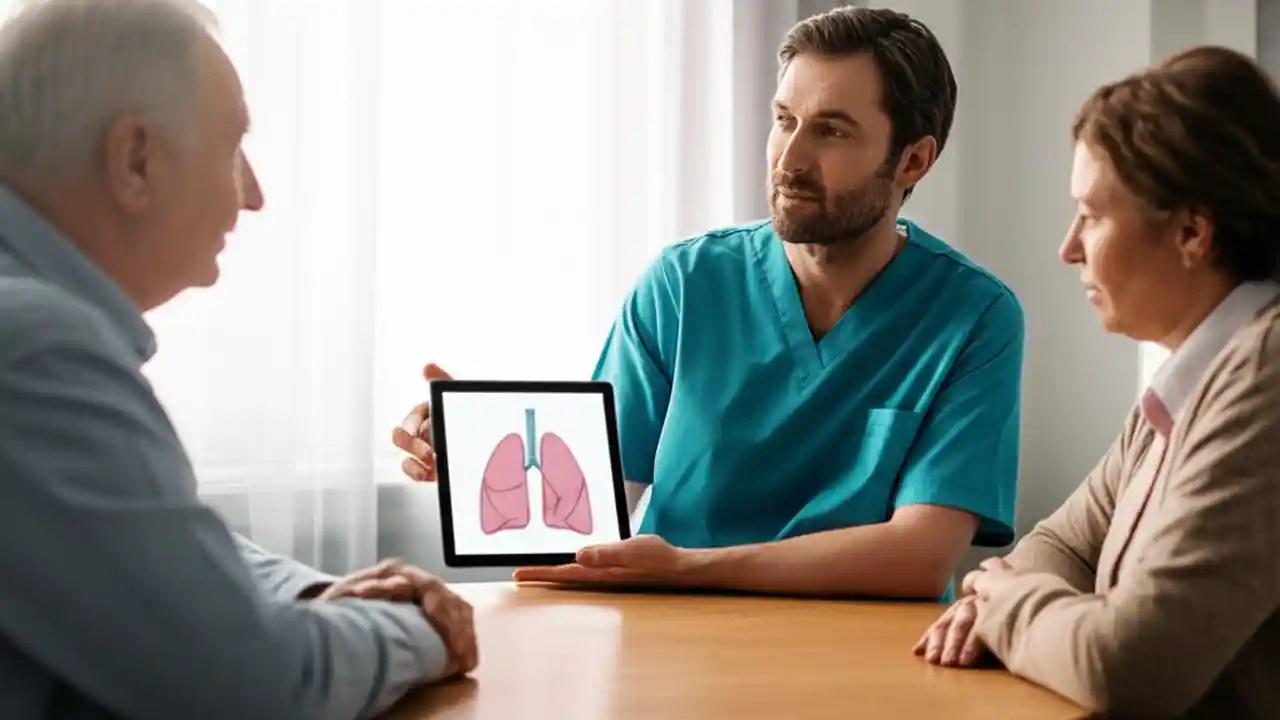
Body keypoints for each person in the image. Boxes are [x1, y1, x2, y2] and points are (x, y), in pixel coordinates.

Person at [394, 6, 1025, 601]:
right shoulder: (685, 283)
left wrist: (688, 569)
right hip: (669, 640)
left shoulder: (973, 316)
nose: (791, 158)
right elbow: (585, 511)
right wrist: (479, 459)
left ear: (912, 159)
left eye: (831, 130)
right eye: (784, 120)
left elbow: (919, 558)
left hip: (867, 654)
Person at [0, 1, 475, 718]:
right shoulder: (37, 349)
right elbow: (252, 690)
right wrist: (420, 627)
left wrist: (309, 595)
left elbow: (135, 538)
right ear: (135, 160)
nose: (253, 194)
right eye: (232, 148)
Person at [915, 45, 1280, 717]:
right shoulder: (1189, 379)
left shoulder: (1266, 378)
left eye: (1093, 213)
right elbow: (1062, 543)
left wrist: (1007, 605)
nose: (1069, 247)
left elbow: (1130, 667)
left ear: (1193, 231)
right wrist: (1042, 609)